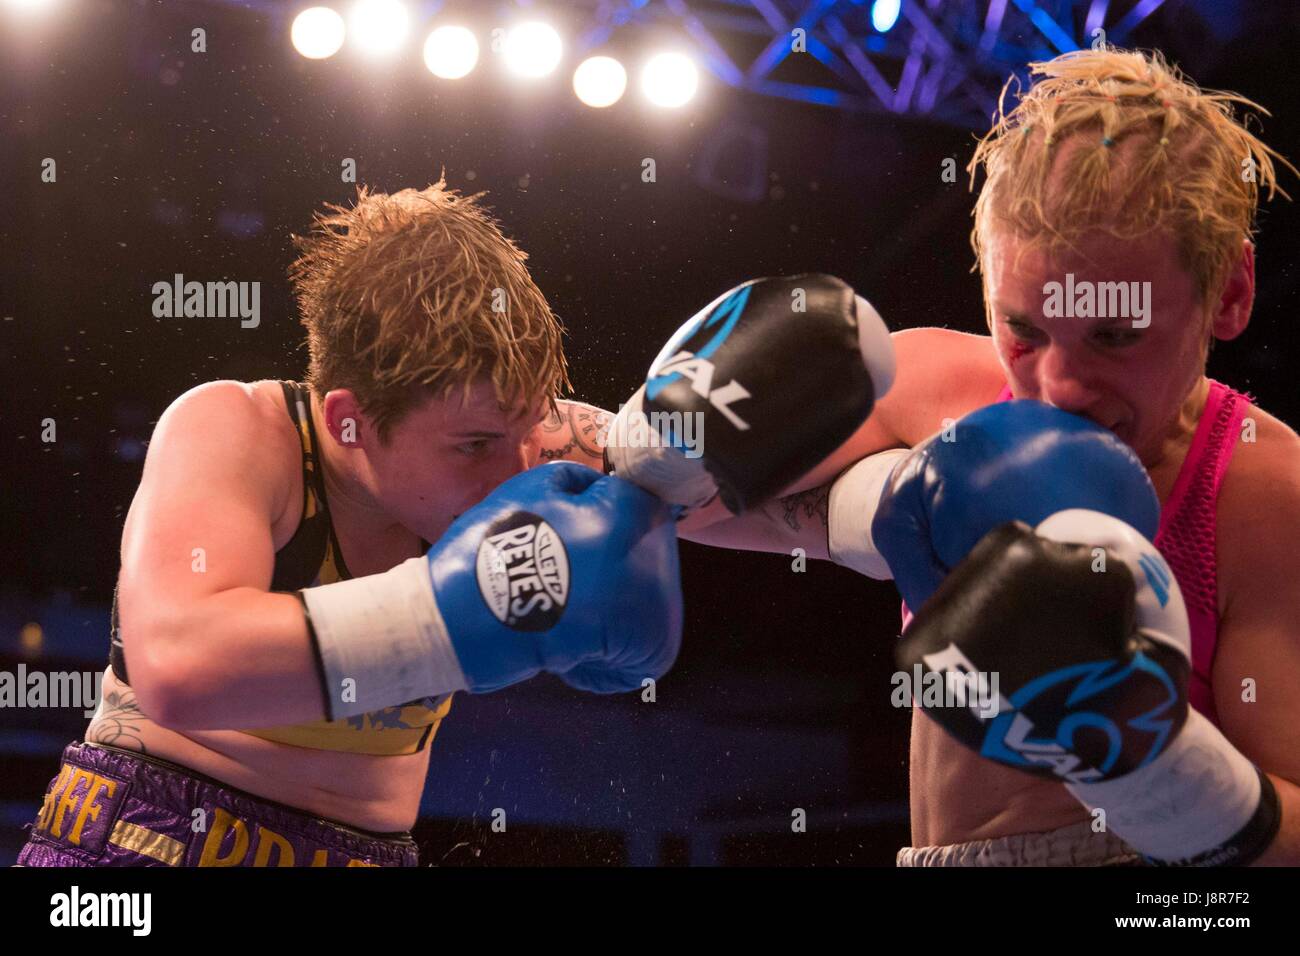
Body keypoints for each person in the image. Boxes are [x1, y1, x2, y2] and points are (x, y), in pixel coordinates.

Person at [18, 179, 894, 867]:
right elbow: (180, 664)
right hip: (144, 844)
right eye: (473, 443)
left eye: (528, 423)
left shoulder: (549, 445)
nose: (517, 468)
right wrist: (454, 615)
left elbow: (791, 508)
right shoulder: (239, 432)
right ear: (348, 422)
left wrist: (892, 505)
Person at [679, 47, 1300, 865]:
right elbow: (683, 504)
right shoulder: (938, 391)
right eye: (1026, 330)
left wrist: (1151, 761)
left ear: (1230, 294)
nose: (1061, 384)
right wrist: (673, 435)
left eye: (1114, 335)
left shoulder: (1258, 487)